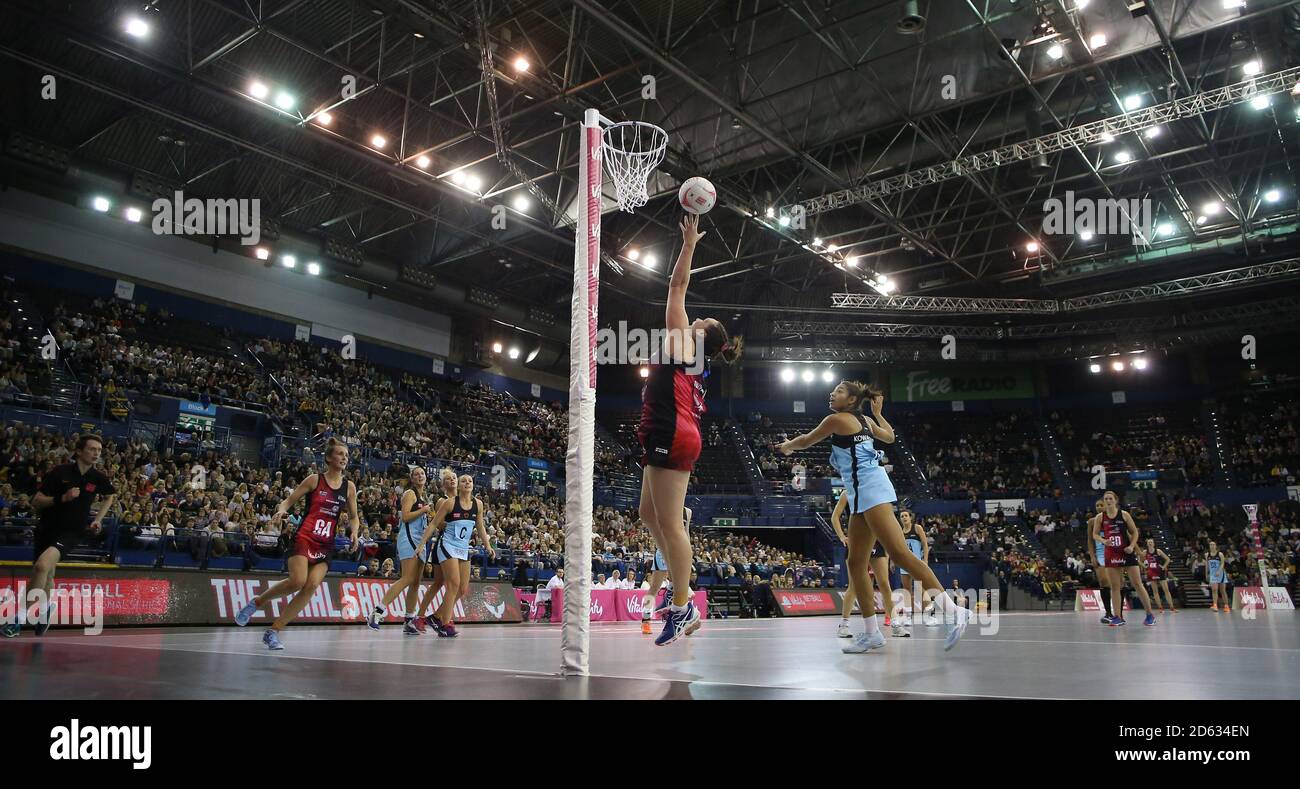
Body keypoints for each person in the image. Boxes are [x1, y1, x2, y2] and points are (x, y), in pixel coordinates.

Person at [778, 382, 969, 653]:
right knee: (855, 563)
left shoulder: (836, 419)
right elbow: (889, 437)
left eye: (839, 391)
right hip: (859, 495)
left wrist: (787, 446)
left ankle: (953, 611)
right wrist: (878, 414)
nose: (832, 394)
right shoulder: (864, 419)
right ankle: (871, 632)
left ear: (852, 399)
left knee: (901, 555)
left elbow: (807, 440)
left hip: (871, 489)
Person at [635, 213, 742, 646]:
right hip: (668, 429)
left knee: (673, 524)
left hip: (672, 432)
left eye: (700, 320)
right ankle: (680, 580)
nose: (693, 318)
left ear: (702, 335)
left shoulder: (685, 343)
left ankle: (683, 606)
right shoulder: (694, 354)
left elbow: (676, 287)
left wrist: (690, 243)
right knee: (649, 514)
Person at [234, 438, 358, 649]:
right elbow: (289, 501)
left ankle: (274, 631)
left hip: (325, 543)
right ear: (328, 458)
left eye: (346, 455)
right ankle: (257, 602)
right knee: (298, 581)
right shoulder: (314, 480)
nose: (344, 457)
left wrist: (354, 531)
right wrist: (282, 510)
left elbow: (354, 516)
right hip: (305, 537)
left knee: (311, 586)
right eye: (339, 454)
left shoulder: (349, 488)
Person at [2, 435, 115, 638]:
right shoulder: (60, 472)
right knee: (47, 575)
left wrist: (98, 519)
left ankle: (17, 619)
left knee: (42, 566)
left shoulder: (98, 477)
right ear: (79, 451)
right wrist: (62, 498)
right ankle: (45, 610)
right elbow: (36, 501)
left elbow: (110, 496)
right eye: (92, 449)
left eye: (99, 450)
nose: (97, 453)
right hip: (47, 527)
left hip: (72, 531)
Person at [366, 466, 437, 634]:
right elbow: (404, 517)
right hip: (409, 538)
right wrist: (424, 510)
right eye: (416, 474)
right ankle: (377, 612)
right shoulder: (410, 494)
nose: (420, 476)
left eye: (422, 473)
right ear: (411, 479)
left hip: (421, 539)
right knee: (407, 578)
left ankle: (409, 620)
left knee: (415, 583)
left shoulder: (423, 496)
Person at [428, 474, 495, 637]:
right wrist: (423, 543)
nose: (467, 483)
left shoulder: (477, 504)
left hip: (462, 548)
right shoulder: (448, 502)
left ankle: (436, 616)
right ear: (459, 485)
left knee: (462, 588)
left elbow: (480, 526)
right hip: (447, 545)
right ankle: (445, 623)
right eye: (463, 481)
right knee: (452, 584)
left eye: (470, 481)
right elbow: (436, 523)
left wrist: (487, 545)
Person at [829, 490, 894, 638]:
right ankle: (844, 625)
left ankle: (894, 621)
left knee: (884, 583)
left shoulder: (875, 491)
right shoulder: (847, 494)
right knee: (854, 586)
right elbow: (835, 517)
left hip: (877, 542)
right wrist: (841, 536)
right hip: (856, 541)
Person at [1089, 490, 1156, 627]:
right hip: (1111, 553)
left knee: (1137, 583)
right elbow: (1094, 535)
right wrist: (1103, 540)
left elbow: (1134, 532)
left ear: (1116, 500)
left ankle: (1150, 615)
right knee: (1115, 586)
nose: (1108, 501)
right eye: (1106, 499)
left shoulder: (1124, 515)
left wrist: (1132, 546)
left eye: (1110, 498)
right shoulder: (1100, 518)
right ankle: (1117, 617)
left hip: (1126, 552)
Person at [641, 507, 692, 635]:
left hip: (679, 552)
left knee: (682, 589)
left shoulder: (688, 512)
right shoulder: (663, 505)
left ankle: (684, 621)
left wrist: (688, 552)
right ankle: (645, 621)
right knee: (654, 588)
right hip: (663, 551)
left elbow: (686, 533)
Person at [897, 510, 930, 635]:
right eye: (902, 516)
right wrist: (893, 561)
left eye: (906, 515)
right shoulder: (900, 531)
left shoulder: (917, 528)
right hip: (904, 563)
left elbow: (925, 545)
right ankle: (908, 616)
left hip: (916, 563)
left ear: (910, 517)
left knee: (920, 588)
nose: (904, 517)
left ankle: (929, 614)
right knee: (906, 590)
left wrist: (925, 559)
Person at [1086, 499, 1119, 623]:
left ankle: (1118, 612)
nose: (1099, 507)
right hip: (1100, 554)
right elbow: (1090, 540)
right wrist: (1092, 556)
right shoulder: (1092, 521)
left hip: (1114, 552)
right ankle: (1108, 613)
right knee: (1104, 582)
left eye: (1101, 505)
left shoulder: (1114, 519)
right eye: (1097, 505)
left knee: (1119, 584)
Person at [1140, 537, 1178, 613]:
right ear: (1147, 544)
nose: (1150, 543)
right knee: (1155, 591)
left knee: (1166, 590)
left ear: (1154, 544)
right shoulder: (1145, 552)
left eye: (1151, 542)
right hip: (1151, 572)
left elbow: (1168, 559)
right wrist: (1145, 567)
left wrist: (1163, 567)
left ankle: (1172, 607)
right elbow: (1138, 560)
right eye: (1149, 542)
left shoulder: (1158, 551)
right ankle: (1160, 608)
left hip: (1159, 571)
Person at [1206, 540, 1230, 612]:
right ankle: (1215, 605)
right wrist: (1206, 574)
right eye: (1210, 544)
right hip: (1213, 575)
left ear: (1216, 546)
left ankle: (1226, 606)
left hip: (1221, 574)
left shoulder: (1220, 554)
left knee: (1222, 590)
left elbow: (1222, 564)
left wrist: (1219, 571)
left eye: (1213, 544)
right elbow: (1207, 565)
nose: (1212, 546)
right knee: (1214, 589)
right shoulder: (1207, 555)